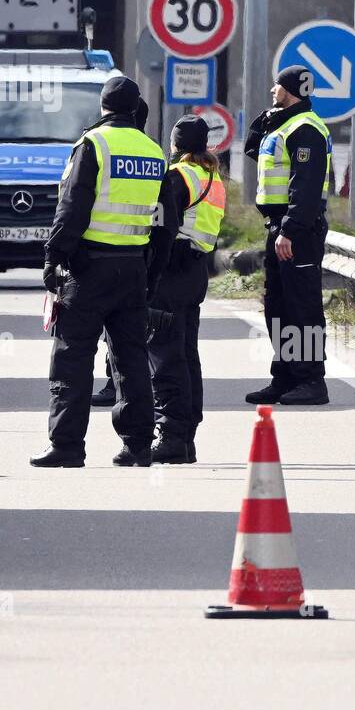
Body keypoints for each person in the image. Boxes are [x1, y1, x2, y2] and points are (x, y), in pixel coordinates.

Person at [31, 76, 166, 468]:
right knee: (131, 360)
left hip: (89, 269)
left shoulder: (93, 144)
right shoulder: (153, 151)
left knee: (72, 357)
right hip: (133, 268)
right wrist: (151, 273)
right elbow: (162, 221)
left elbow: (73, 205)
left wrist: (53, 256)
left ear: (103, 106)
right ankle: (139, 445)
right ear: (135, 106)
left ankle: (67, 446)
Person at [243, 64, 333, 406]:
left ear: (291, 89)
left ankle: (311, 380)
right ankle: (284, 377)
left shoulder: (306, 129)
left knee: (303, 306)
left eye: (277, 86)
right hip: (279, 228)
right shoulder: (282, 126)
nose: (271, 91)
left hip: (297, 231)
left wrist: (290, 230)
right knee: (278, 306)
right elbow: (254, 149)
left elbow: (306, 188)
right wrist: (264, 119)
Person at [145, 115, 226, 462]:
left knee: (164, 356)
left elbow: (162, 229)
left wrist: (147, 272)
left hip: (171, 271)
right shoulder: (213, 177)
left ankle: (172, 436)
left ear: (175, 145)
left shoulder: (177, 177)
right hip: (195, 272)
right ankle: (186, 433)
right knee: (186, 354)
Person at [91, 95, 152, 409]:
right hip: (140, 259)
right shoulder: (152, 155)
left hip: (102, 257)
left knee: (113, 333)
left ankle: (113, 385)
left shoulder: (103, 146)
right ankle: (125, 393)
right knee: (131, 336)